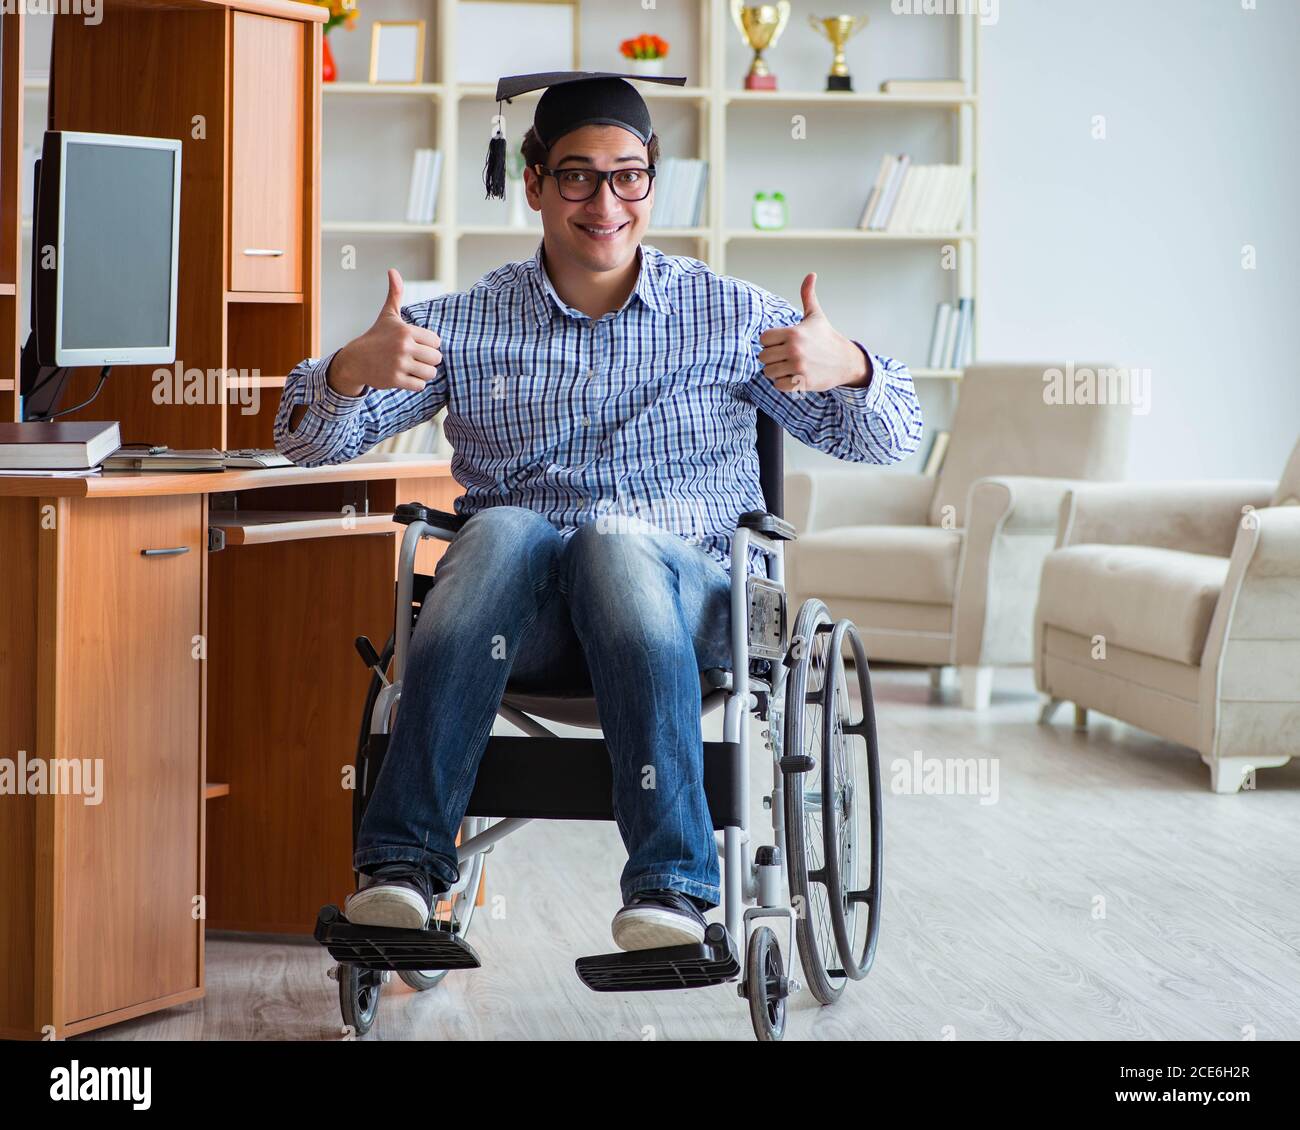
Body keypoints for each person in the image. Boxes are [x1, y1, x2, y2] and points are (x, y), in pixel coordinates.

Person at [274, 70, 922, 952]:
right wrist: (349, 368)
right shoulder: (461, 326)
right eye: (577, 176)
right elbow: (305, 442)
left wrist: (850, 365)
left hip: (691, 612)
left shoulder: (730, 316)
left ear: (653, 179)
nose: (605, 201)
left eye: (628, 175)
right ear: (534, 183)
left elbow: (893, 441)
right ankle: (402, 872)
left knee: (617, 543)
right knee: (497, 528)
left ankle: (672, 890)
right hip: (526, 624)